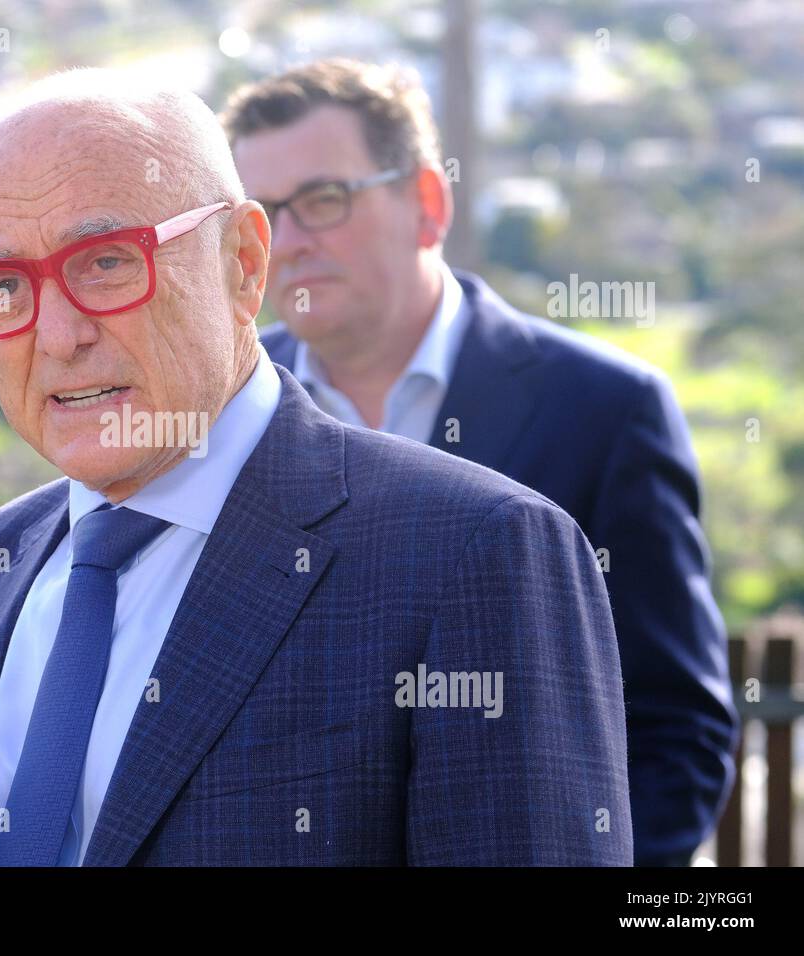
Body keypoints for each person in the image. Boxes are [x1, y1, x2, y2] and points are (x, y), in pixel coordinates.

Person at [0, 68, 631, 867]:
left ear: (244, 263)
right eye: (2, 285)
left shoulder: (476, 554)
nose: (59, 335)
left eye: (107, 263)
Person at [222, 58, 737, 866]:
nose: (287, 242)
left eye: (323, 200)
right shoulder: (227, 413)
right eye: (262, 213)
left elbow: (676, 730)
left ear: (427, 203)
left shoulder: (606, 411)